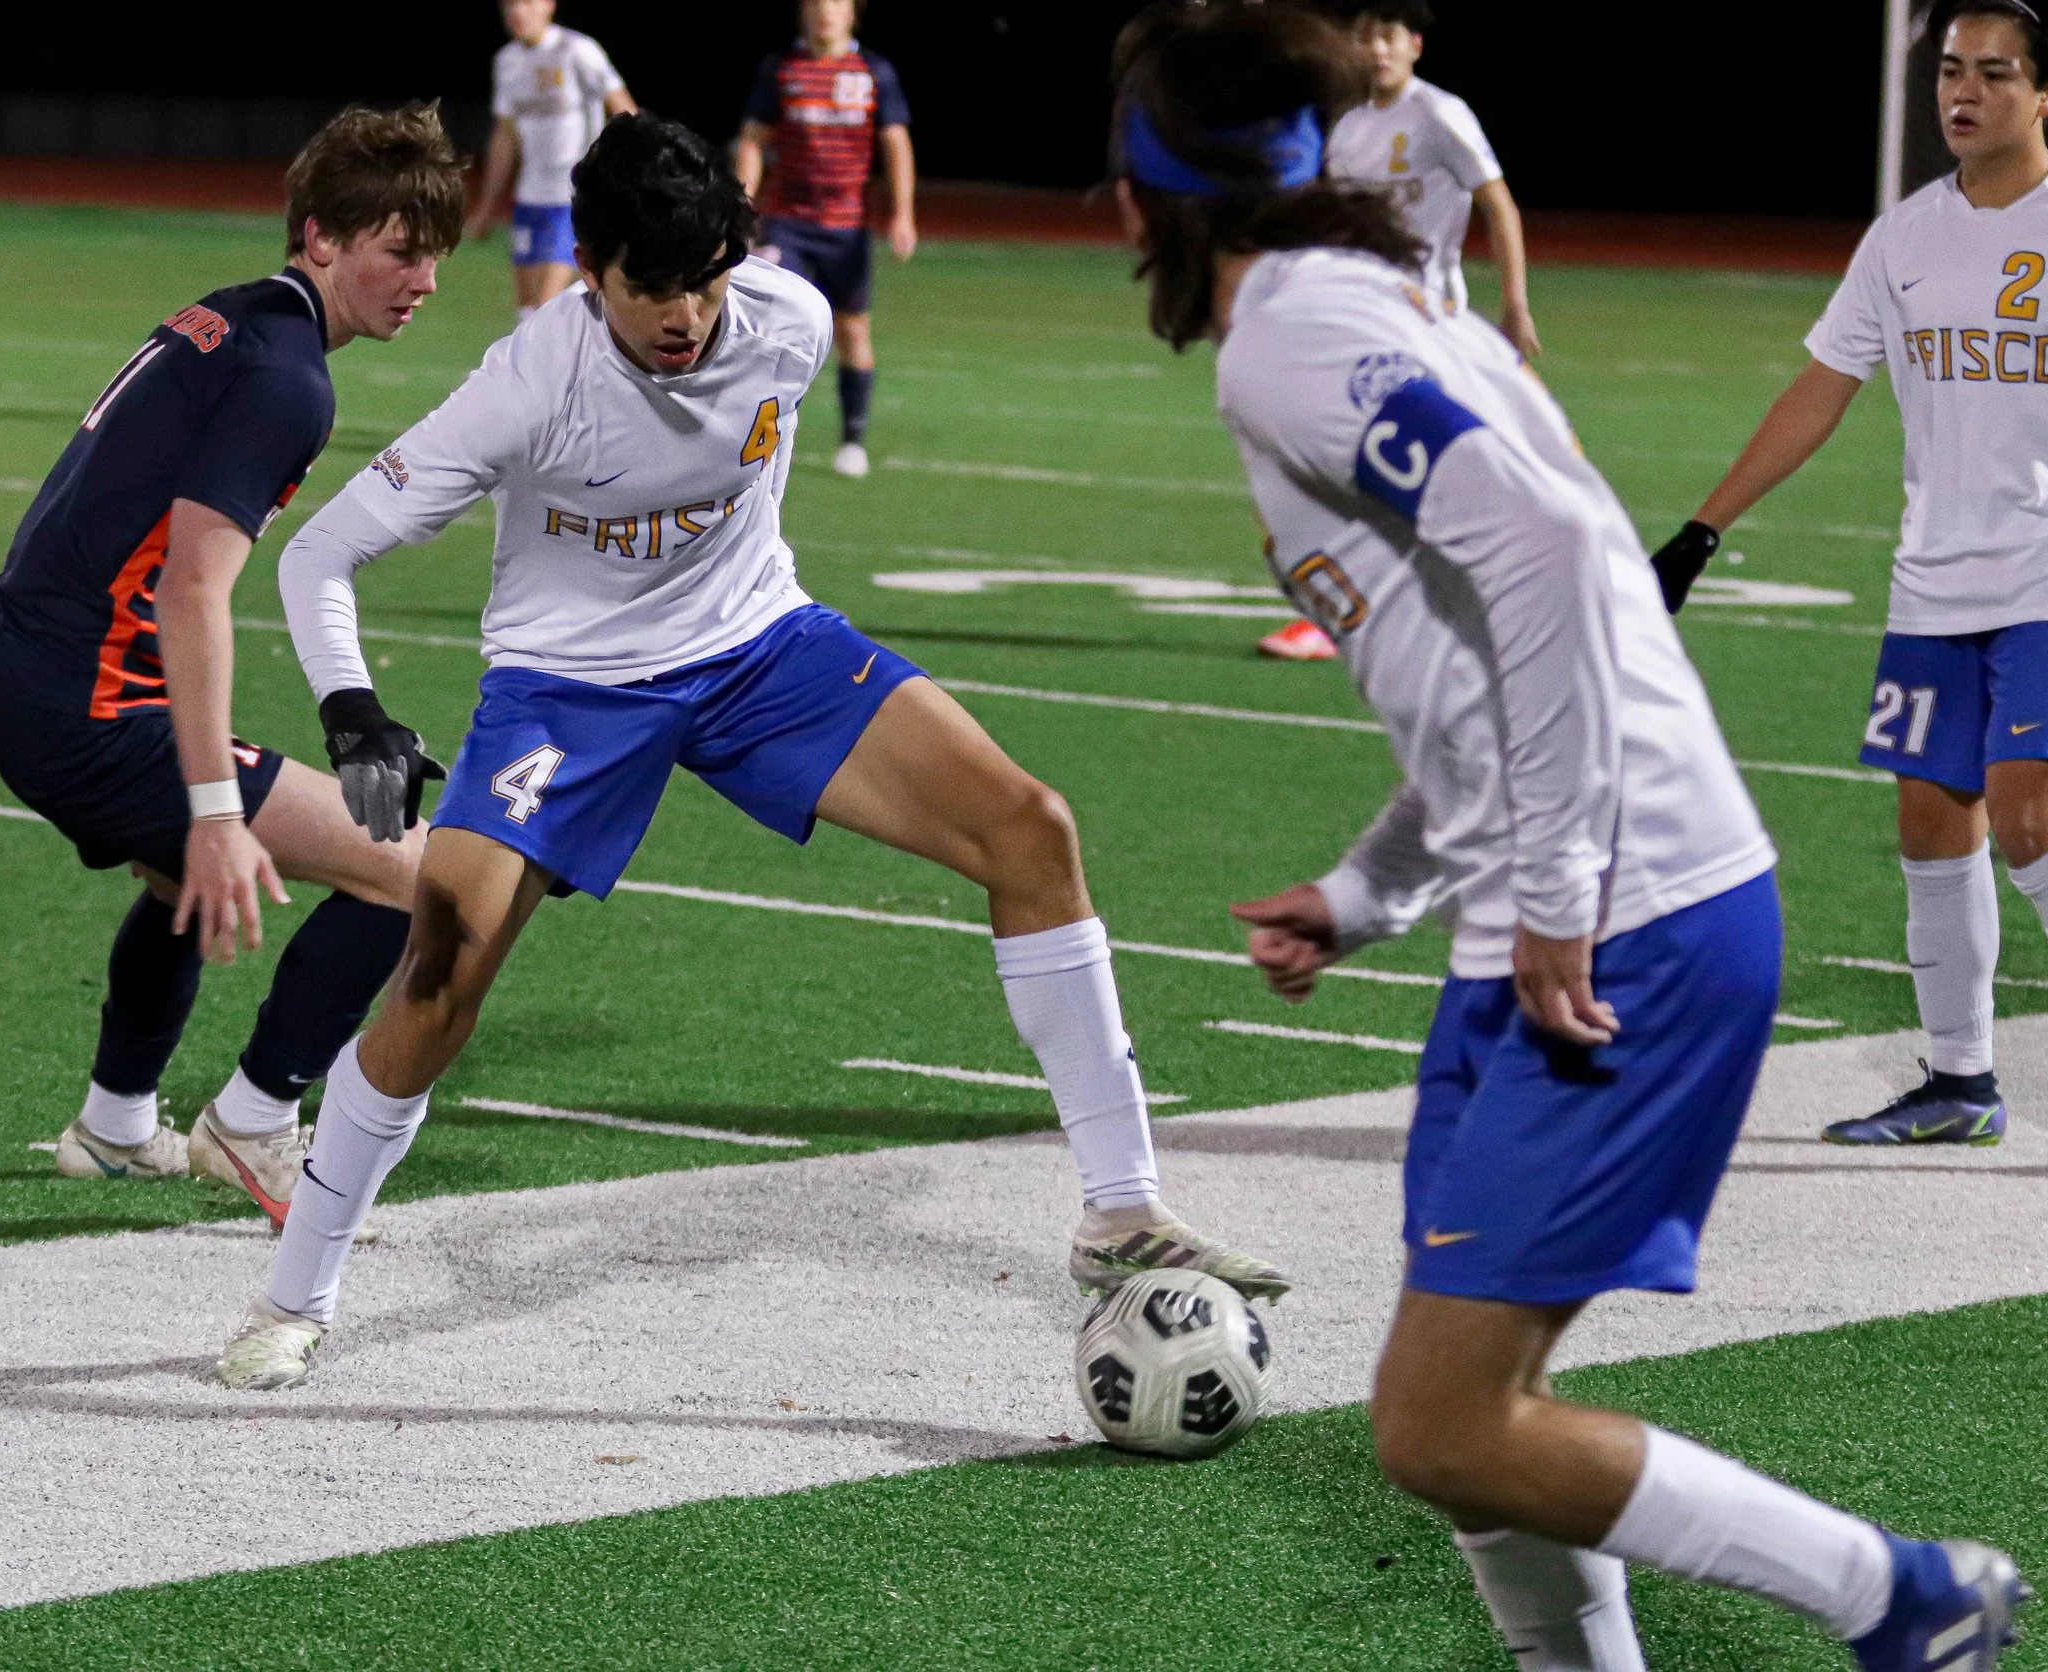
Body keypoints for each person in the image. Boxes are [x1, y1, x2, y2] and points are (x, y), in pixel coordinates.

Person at [1114, 6, 2029, 1669]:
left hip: (1628, 911)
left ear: (1139, 196)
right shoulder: (1372, 306)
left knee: (1442, 1423)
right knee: (1473, 1436)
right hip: (1572, 901)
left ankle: (1902, 1595)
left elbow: (1536, 548)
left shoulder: (1292, 335)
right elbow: (1509, 643)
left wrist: (1553, 900)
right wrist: (1373, 884)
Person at [212, 110, 1283, 1391]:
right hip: (570, 690)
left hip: (759, 650)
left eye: (707, 276)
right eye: (652, 285)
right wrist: (351, 707)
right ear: (588, 268)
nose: (686, 313)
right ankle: (297, 1295)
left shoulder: (790, 318)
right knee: (438, 966)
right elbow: (323, 552)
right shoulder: (527, 382)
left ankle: (1119, 1213)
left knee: (1029, 830)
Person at [0, 104, 465, 1226]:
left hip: (26, 663)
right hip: (85, 699)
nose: (424, 278)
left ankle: (114, 1124)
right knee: (413, 871)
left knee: (176, 882)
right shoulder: (289, 378)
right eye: (400, 248)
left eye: (435, 252)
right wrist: (210, 804)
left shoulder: (229, 318)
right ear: (319, 237)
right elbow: (194, 587)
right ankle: (248, 1121)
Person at [1654, 0, 2048, 1181]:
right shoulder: (1901, 237)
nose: (1964, 93)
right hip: (1932, 576)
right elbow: (1822, 387)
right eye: (1951, 72)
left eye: (1995, 73)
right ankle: (1961, 1080)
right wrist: (1702, 530)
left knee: (2032, 821)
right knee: (1931, 823)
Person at [1256, 0, 1540, 664]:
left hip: (1425, 325)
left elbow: (1498, 205)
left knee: (1426, 474)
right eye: (1364, 37)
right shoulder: (1344, 121)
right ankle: (1344, 614)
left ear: (1413, 44)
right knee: (1339, 466)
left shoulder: (1440, 114)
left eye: (1388, 36)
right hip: (1357, 320)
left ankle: (1479, 604)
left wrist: (1515, 303)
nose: (1375, 49)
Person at [733, 0, 916, 479]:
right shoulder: (781, 69)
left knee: (853, 331)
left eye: (834, 3)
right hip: (788, 222)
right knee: (776, 328)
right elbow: (752, 138)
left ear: (854, 12)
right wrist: (741, 204)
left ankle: (853, 439)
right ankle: (761, 435)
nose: (824, 13)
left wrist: (903, 214)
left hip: (846, 227)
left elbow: (895, 143)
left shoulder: (873, 71)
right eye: (814, 3)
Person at [464, 0, 637, 324]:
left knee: (546, 307)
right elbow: (505, 138)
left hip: (574, 198)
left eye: (527, 3)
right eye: (510, 5)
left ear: (549, 6)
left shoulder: (578, 50)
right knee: (527, 312)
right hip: (530, 198)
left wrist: (625, 178)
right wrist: (486, 206)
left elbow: (625, 112)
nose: (517, 12)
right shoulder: (507, 62)